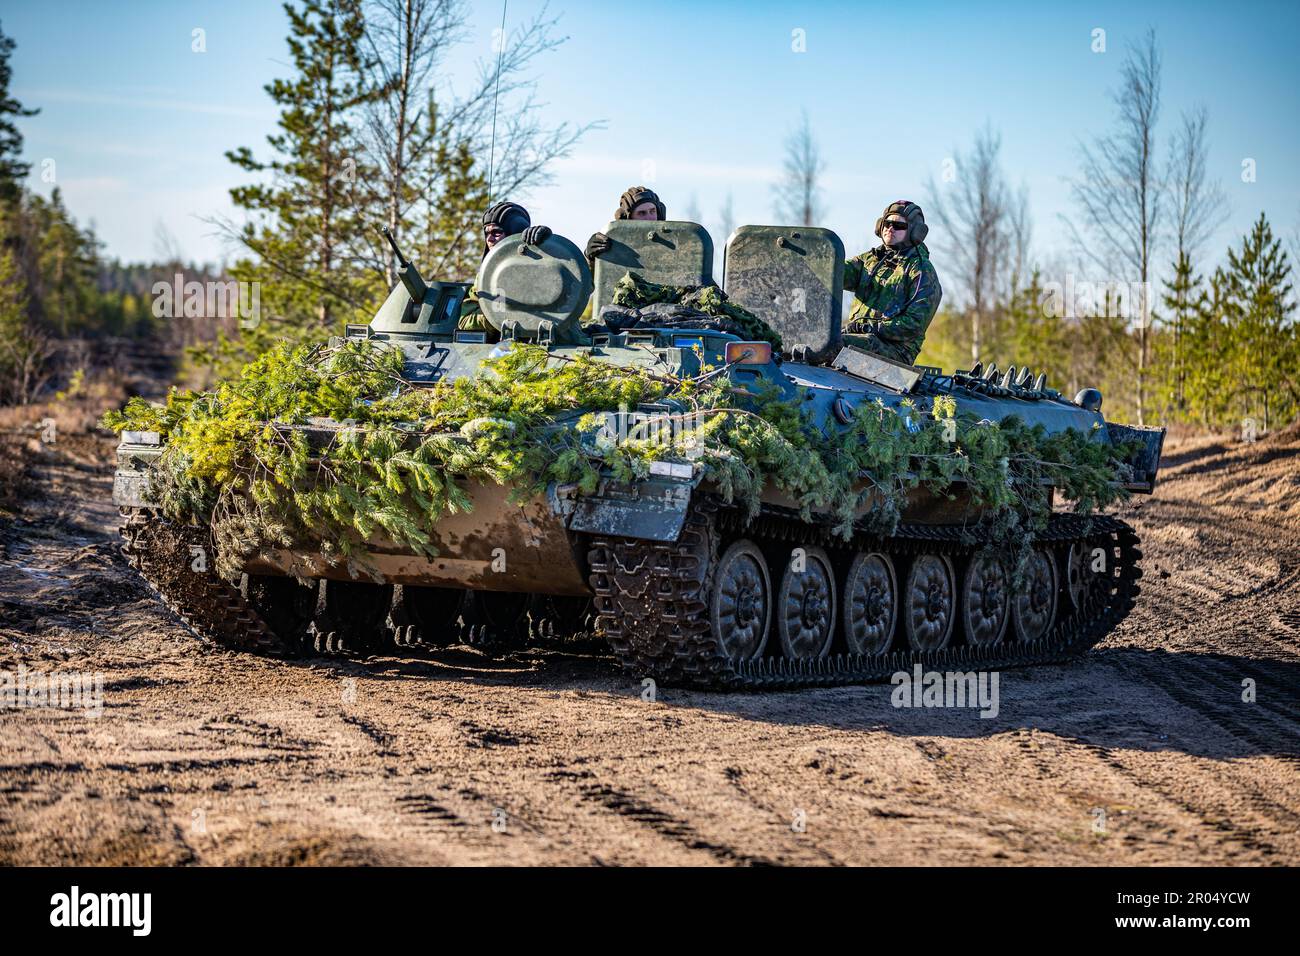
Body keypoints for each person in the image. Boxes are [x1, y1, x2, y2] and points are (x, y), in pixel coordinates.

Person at [840, 200, 943, 366]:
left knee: (835, 345)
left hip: (896, 352)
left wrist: (871, 328)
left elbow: (914, 324)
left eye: (898, 226)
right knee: (818, 340)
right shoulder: (869, 260)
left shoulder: (921, 270)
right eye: (887, 223)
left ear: (914, 232)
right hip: (859, 339)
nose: (890, 228)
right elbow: (837, 273)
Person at [459, 201, 551, 333]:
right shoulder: (486, 277)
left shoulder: (543, 266)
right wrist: (503, 317)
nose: (489, 239)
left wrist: (549, 246)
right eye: (486, 233)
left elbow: (579, 287)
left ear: (513, 235)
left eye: (496, 233)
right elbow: (465, 321)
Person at [583, 186, 667, 265]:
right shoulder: (616, 247)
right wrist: (590, 258)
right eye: (642, 213)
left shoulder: (673, 241)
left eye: (652, 211)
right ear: (628, 219)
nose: (649, 218)